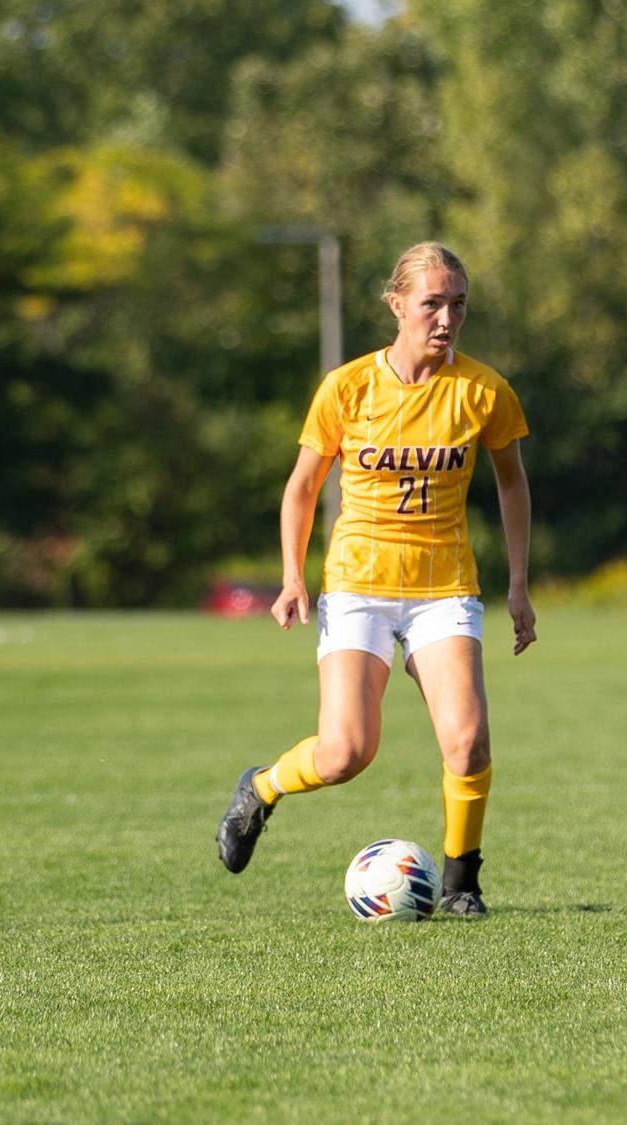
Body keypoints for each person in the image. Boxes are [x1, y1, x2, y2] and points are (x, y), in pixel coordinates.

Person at [214, 241, 536, 917]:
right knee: (344, 753)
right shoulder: (348, 386)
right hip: (358, 583)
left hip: (443, 586)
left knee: (468, 739)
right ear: (397, 305)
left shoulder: (483, 390)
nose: (446, 318)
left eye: (458, 305)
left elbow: (512, 485)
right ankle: (263, 787)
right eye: (432, 303)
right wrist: (291, 575)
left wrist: (518, 584)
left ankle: (461, 884)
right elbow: (303, 487)